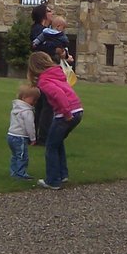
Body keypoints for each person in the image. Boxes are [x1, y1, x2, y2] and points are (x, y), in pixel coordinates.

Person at [27, 51, 83, 190]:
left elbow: (59, 95)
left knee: (50, 146)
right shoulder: (57, 74)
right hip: (78, 110)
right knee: (58, 143)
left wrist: (66, 112)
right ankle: (62, 174)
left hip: (66, 113)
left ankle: (53, 180)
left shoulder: (44, 81)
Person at [29, 3, 55, 143]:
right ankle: (42, 137)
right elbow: (39, 46)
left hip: (45, 71)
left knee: (42, 104)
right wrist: (56, 49)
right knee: (46, 104)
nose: (52, 13)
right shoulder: (38, 30)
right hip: (42, 71)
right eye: (49, 11)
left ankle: (36, 135)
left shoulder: (45, 30)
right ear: (43, 15)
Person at [7, 84, 40, 180]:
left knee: (15, 155)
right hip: (20, 137)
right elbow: (30, 126)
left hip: (11, 135)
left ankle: (14, 172)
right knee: (22, 156)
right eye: (33, 99)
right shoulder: (27, 111)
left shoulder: (16, 108)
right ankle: (20, 174)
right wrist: (33, 138)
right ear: (24, 97)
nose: (35, 102)